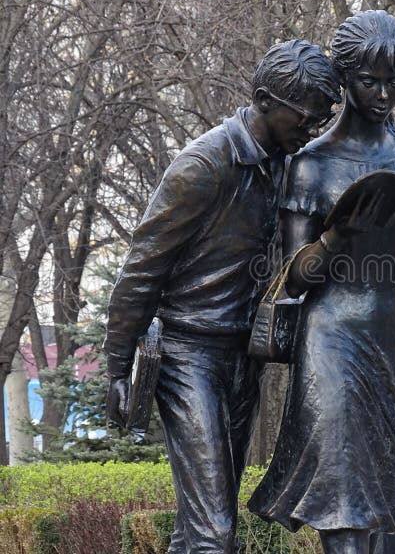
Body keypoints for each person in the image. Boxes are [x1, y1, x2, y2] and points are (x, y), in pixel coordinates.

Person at [104, 39, 341, 554]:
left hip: (244, 359)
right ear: (263, 100)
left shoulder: (287, 165)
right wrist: (117, 366)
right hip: (189, 358)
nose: (311, 131)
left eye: (320, 121)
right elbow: (142, 268)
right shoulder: (203, 167)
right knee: (215, 533)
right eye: (304, 118)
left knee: (200, 528)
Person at [247, 10, 395, 554]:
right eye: (370, 81)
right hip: (332, 335)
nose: (383, 94)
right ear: (344, 77)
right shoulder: (311, 165)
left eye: (394, 81)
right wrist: (336, 238)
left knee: (391, 502)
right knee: (343, 496)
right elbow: (295, 274)